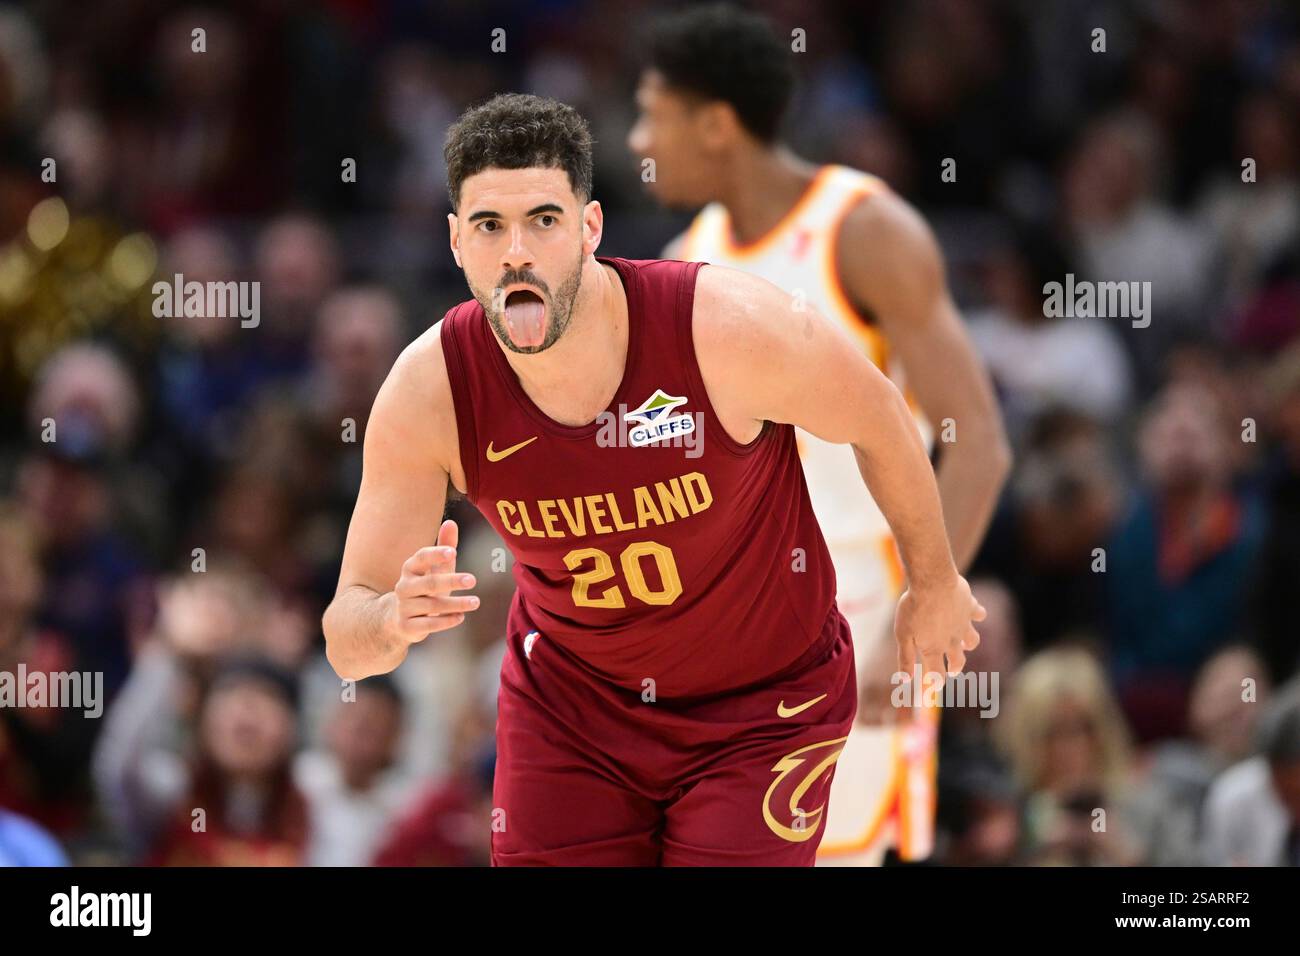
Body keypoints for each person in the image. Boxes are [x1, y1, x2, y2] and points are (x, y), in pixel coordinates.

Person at [323, 92, 984, 866]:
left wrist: (934, 582)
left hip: (761, 708)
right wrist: (393, 621)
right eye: (489, 226)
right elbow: (346, 639)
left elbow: (879, 416)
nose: (517, 253)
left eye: (544, 219)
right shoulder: (428, 391)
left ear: (591, 228)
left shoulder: (721, 328)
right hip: (573, 711)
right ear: (455, 243)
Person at [626, 4, 1009, 864]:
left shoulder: (866, 231)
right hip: (735, 626)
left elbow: (979, 440)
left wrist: (922, 605)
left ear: (717, 124)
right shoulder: (689, 256)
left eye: (653, 113)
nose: (638, 137)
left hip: (865, 601)